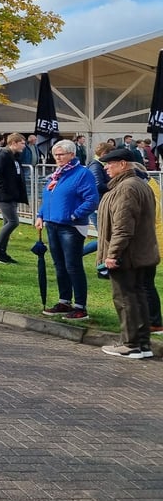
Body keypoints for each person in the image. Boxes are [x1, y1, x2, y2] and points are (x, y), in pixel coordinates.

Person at [96, 147, 160, 359]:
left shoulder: (127, 188)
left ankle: (130, 343)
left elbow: (123, 227)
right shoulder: (139, 185)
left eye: (109, 164)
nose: (105, 168)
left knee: (125, 299)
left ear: (123, 164)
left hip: (128, 255)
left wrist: (112, 254)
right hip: (140, 253)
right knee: (138, 298)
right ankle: (142, 345)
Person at [35, 139, 99, 321]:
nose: (58, 157)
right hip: (52, 224)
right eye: (56, 154)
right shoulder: (57, 174)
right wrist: (40, 215)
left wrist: (73, 215)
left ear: (72, 154)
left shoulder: (82, 174)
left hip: (71, 226)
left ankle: (80, 306)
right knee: (59, 265)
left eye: (61, 154)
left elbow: (91, 200)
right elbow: (48, 197)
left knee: (73, 265)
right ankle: (65, 300)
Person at [0, 133, 28, 264]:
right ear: (14, 143)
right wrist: (5, 190)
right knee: (13, 221)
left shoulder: (14, 156)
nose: (24, 145)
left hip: (12, 195)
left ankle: (2, 252)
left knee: (8, 222)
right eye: (22, 143)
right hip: (4, 196)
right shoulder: (2, 155)